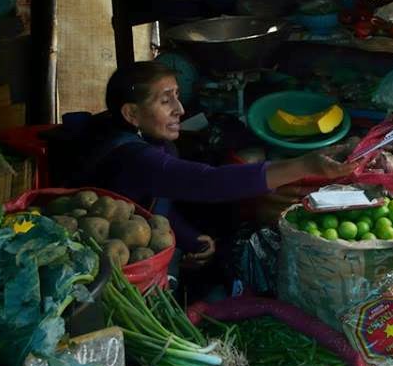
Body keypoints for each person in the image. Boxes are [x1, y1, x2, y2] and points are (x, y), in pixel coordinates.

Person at [71, 61, 357, 265]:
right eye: (165, 101)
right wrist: (304, 165)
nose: (180, 110)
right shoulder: (134, 158)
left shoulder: (158, 145)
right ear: (132, 114)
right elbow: (208, 182)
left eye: (177, 96)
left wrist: (189, 237)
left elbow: (156, 202)